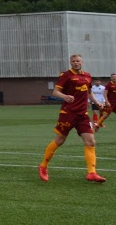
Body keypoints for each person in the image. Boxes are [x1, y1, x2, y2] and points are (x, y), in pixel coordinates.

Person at [41, 54, 105, 183]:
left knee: (91, 142)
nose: (76, 63)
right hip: (68, 113)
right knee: (59, 141)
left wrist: (97, 102)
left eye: (78, 61)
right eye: (73, 61)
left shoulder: (87, 75)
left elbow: (89, 92)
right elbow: (55, 92)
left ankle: (92, 173)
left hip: (82, 115)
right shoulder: (66, 76)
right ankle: (43, 166)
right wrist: (64, 96)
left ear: (82, 62)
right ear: (71, 63)